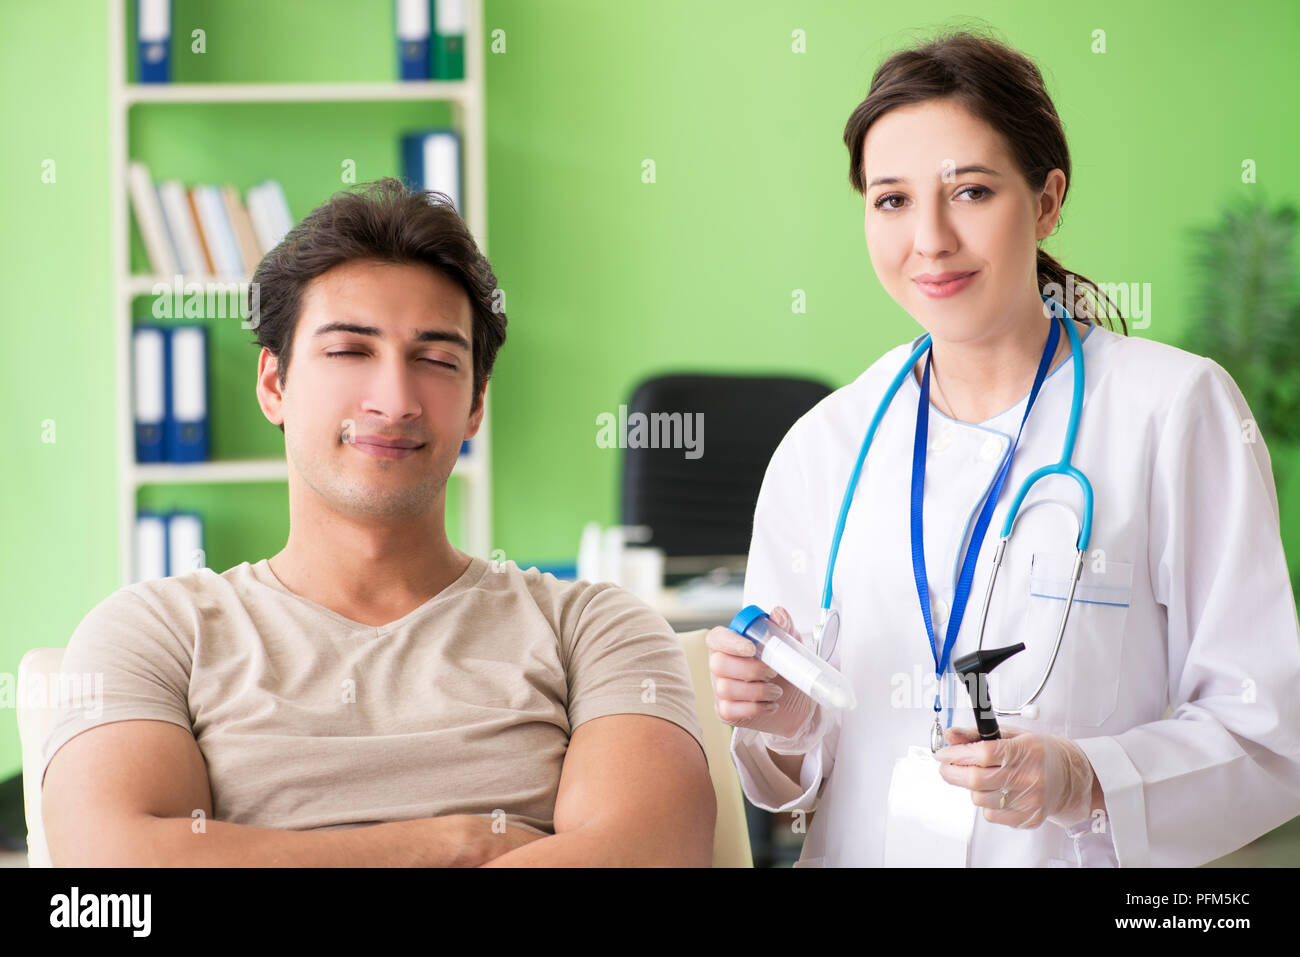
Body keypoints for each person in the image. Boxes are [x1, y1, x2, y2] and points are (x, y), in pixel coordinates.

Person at [708, 30, 1300, 866]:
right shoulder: (825, 446)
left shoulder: (1174, 411)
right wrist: (782, 721)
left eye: (972, 191)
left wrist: (1086, 777)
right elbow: (788, 780)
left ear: (1048, 199)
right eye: (891, 200)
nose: (931, 239)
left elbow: (1270, 733)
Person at [42, 178, 714, 867]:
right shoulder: (155, 632)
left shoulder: (597, 629)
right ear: (274, 383)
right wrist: (451, 842)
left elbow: (656, 851)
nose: (394, 399)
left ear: (476, 403)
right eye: (349, 351)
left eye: (435, 359)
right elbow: (111, 870)